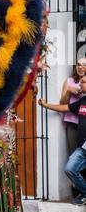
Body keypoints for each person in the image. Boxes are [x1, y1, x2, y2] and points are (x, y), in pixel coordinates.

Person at [40, 73, 86, 204]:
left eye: (83, 82)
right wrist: (46, 105)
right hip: (83, 147)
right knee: (70, 169)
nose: (80, 84)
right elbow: (65, 107)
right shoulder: (83, 101)